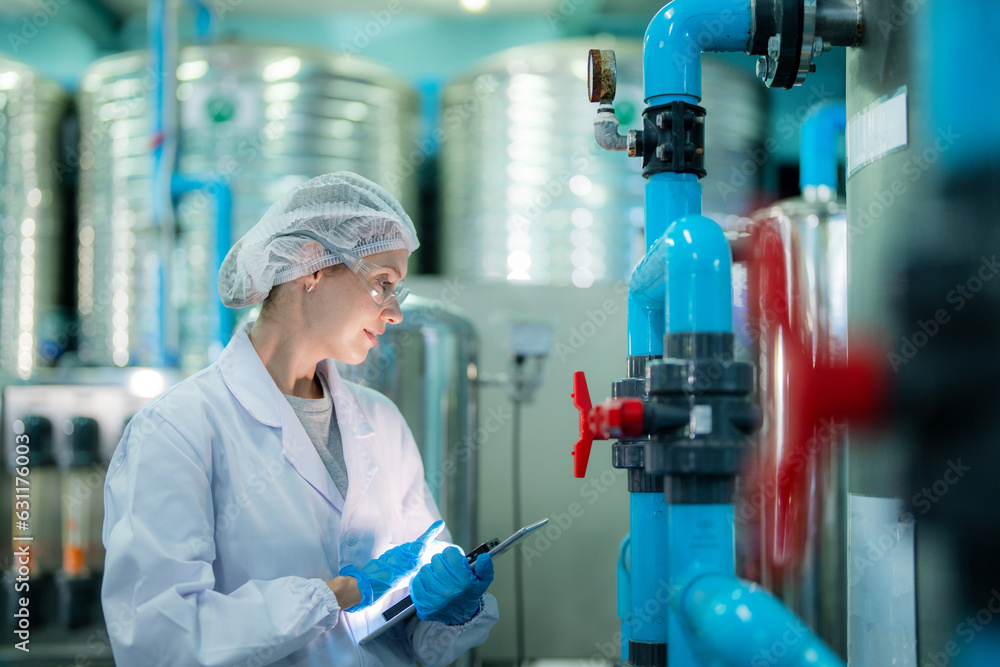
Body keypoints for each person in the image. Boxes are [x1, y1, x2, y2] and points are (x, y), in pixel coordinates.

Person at [101, 172, 499, 665]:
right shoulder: (178, 429)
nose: (394, 312)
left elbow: (410, 632)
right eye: (382, 283)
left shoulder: (381, 420)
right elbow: (159, 640)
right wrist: (337, 594)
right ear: (312, 265)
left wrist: (446, 609)